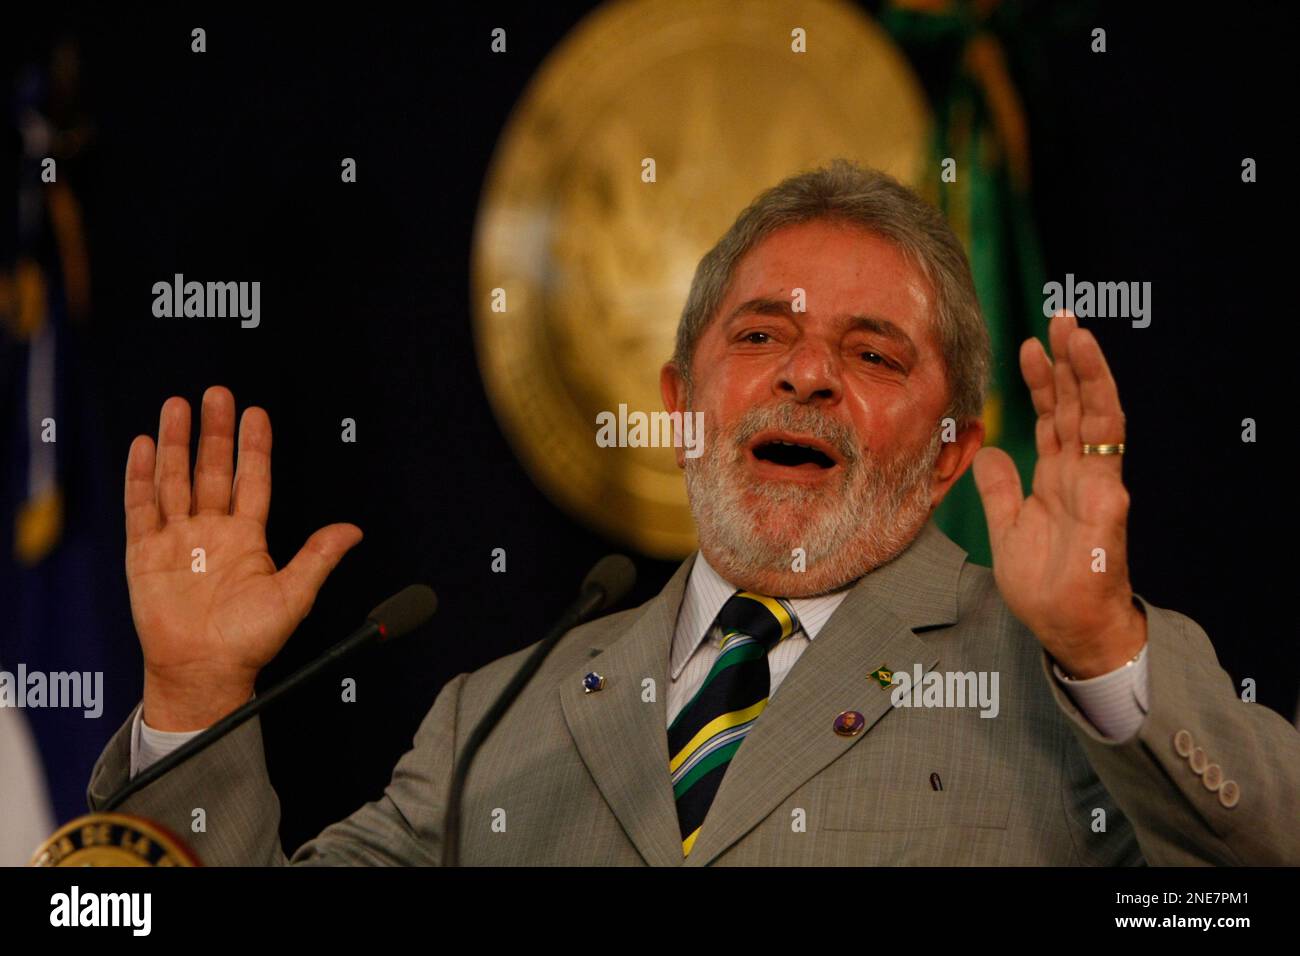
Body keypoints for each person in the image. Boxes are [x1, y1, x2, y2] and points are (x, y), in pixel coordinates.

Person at [87, 160, 1300, 865]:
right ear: (680, 407)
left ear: (947, 458)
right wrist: (194, 700)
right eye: (761, 333)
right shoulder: (491, 721)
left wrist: (1100, 647)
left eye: (872, 353)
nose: (805, 371)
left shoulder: (1066, 685)